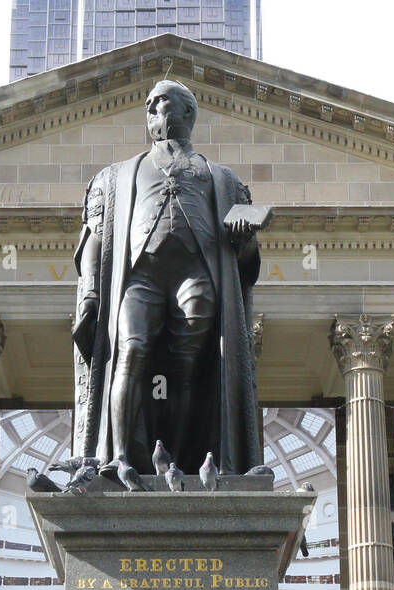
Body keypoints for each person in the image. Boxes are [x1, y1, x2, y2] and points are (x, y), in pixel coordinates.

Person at [71, 78, 262, 475]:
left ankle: (178, 458)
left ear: (187, 112)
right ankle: (119, 456)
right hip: (141, 276)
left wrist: (245, 239)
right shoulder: (115, 177)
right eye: (148, 104)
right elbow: (94, 239)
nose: (151, 109)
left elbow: (244, 262)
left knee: (188, 367)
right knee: (130, 349)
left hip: (197, 274)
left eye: (160, 102)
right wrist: (90, 293)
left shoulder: (223, 179)